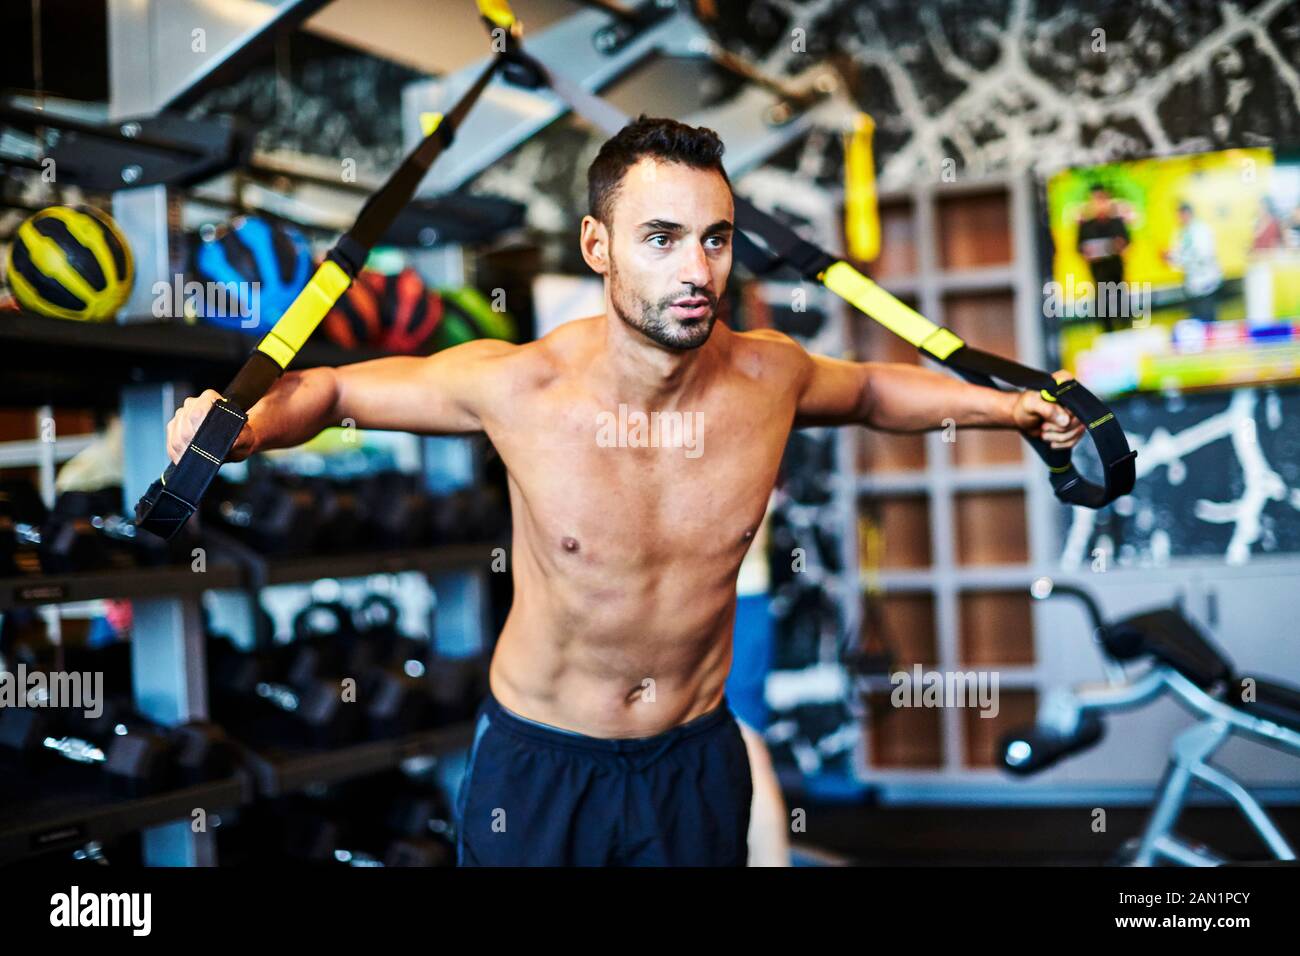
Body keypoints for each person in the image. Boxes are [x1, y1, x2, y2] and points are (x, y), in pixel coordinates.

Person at [166, 116, 1086, 866]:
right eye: (662, 239)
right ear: (597, 246)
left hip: (693, 756)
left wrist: (1008, 407)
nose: (697, 271)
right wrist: (242, 424)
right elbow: (333, 390)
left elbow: (878, 390)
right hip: (543, 765)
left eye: (715, 239)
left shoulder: (770, 378)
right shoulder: (521, 386)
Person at [1075, 184, 1132, 332]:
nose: (1100, 204)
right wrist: (1087, 252)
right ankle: (1107, 330)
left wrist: (1119, 246)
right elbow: (1080, 247)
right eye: (1096, 199)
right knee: (1103, 302)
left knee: (1120, 299)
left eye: (1103, 199)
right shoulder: (1086, 226)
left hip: (1116, 270)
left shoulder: (1117, 223)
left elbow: (1126, 242)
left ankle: (1126, 326)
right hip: (1098, 272)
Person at [1164, 200, 1224, 323]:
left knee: (1207, 317)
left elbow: (1204, 254)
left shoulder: (1201, 230)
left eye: (1180, 215)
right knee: (1196, 319)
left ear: (1188, 214)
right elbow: (1178, 253)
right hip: (1191, 283)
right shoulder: (1181, 232)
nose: (1179, 218)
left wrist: (1182, 259)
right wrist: (1170, 257)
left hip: (1206, 281)